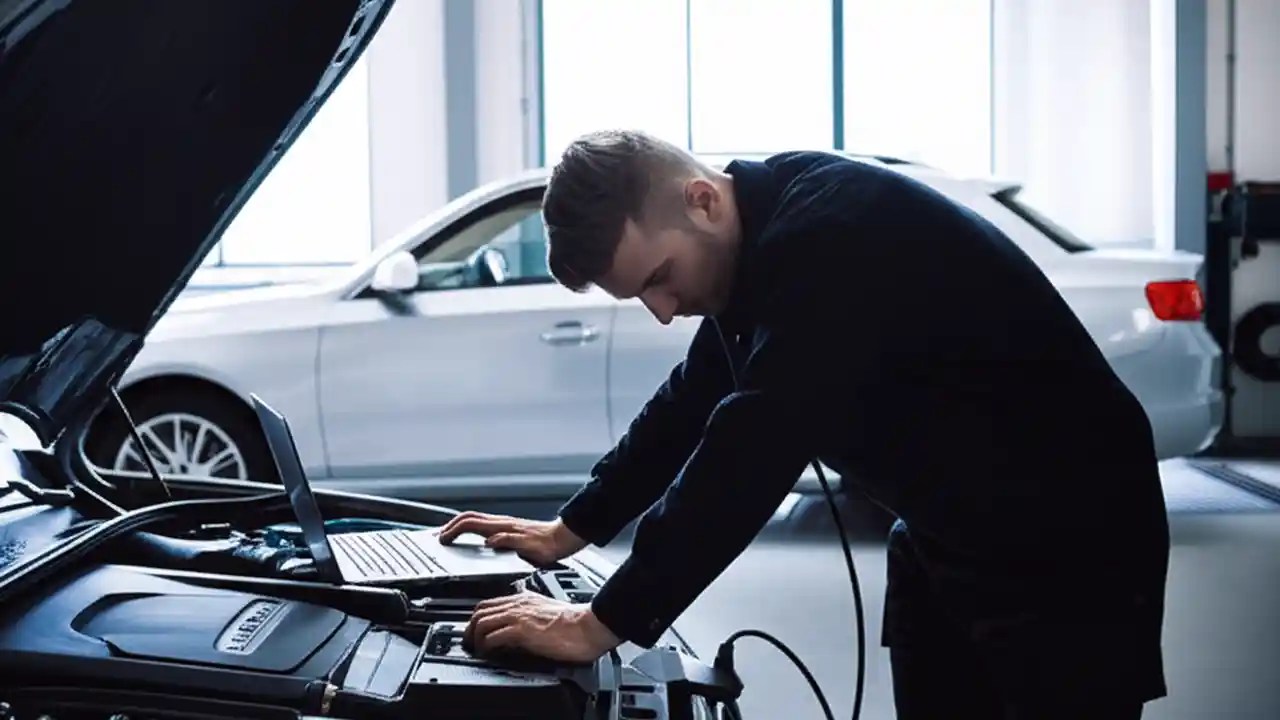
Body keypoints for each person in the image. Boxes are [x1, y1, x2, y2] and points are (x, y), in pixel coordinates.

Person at [437, 129, 1170, 719]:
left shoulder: (831, 237)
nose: (661, 309)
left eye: (659, 278)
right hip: (948, 529)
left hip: (1070, 540)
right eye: (641, 296)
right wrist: (571, 529)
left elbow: (752, 447)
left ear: (701, 201)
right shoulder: (759, 240)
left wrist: (601, 622)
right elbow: (692, 400)